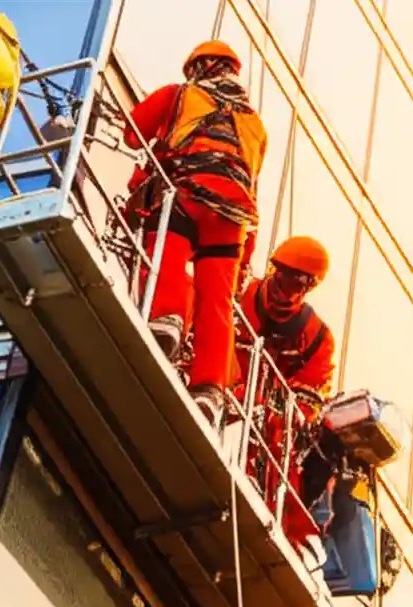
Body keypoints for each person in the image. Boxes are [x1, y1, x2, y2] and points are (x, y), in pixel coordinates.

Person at [123, 41, 267, 424]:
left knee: (166, 250)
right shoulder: (255, 126)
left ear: (199, 68)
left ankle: (168, 318)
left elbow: (132, 132)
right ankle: (210, 389)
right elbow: (251, 178)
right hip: (233, 217)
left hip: (190, 192)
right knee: (217, 301)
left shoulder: (179, 94)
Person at [233, 235, 335, 568]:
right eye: (281, 274)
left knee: (283, 446)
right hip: (230, 385)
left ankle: (294, 533)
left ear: (308, 286)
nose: (283, 286)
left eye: (294, 280)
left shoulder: (317, 337)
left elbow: (310, 395)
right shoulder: (245, 293)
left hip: (271, 416)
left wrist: (285, 409)